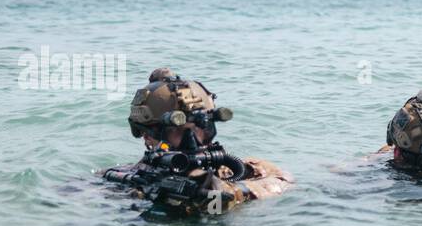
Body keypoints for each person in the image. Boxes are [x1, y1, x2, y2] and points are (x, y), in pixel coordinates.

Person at [101, 67, 292, 213]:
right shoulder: (125, 178)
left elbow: (285, 182)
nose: (193, 141)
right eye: (178, 131)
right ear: (148, 135)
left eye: (202, 128)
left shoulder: (239, 169)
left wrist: (235, 192)